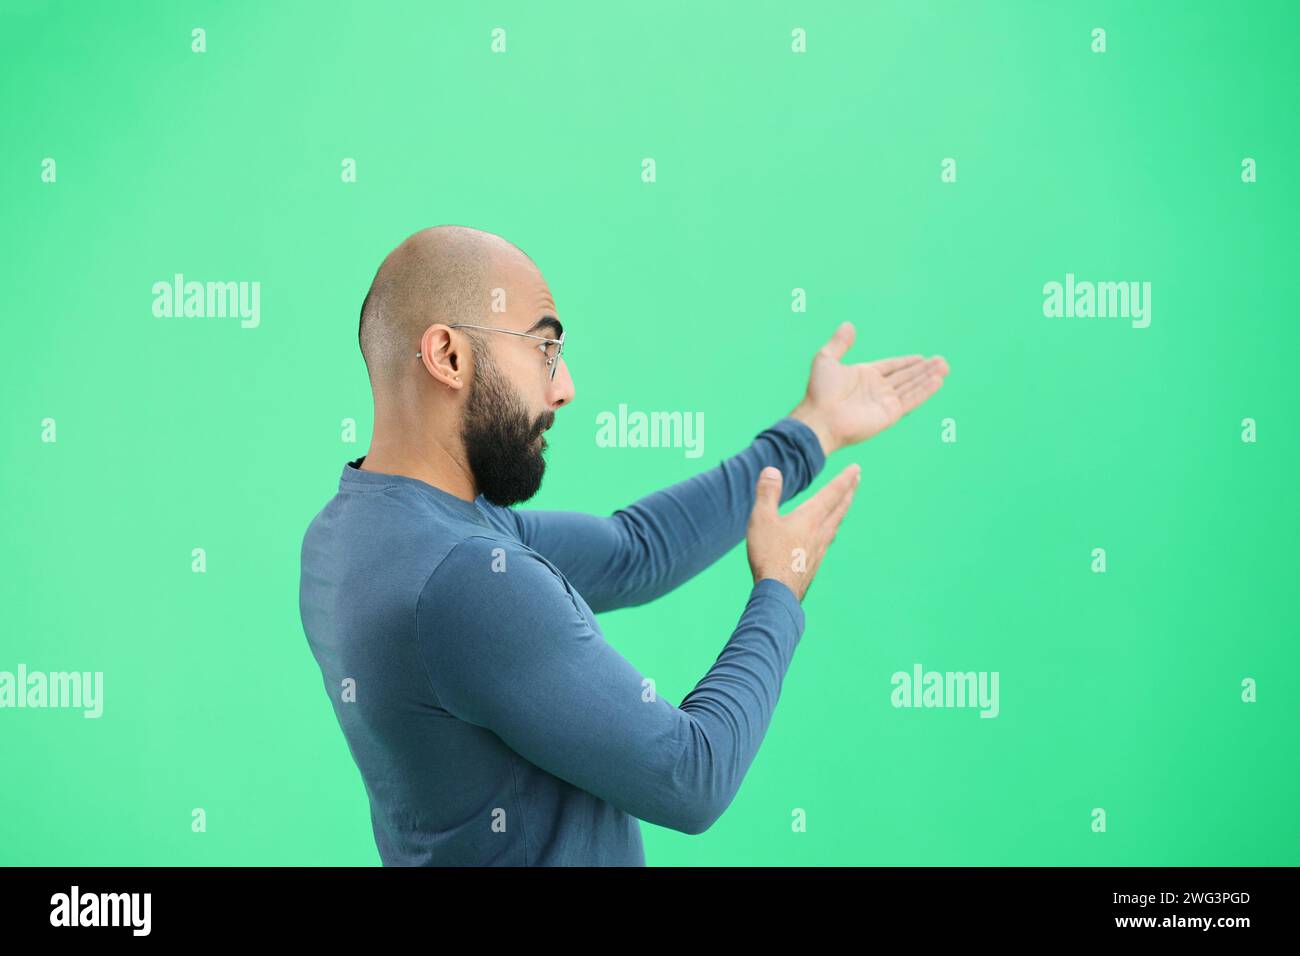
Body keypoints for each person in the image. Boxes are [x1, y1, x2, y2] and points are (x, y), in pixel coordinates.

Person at [298, 225, 949, 865]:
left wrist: (813, 431)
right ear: (450, 357)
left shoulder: (352, 531)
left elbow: (632, 551)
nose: (564, 387)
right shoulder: (466, 579)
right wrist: (779, 590)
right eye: (544, 349)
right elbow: (692, 778)